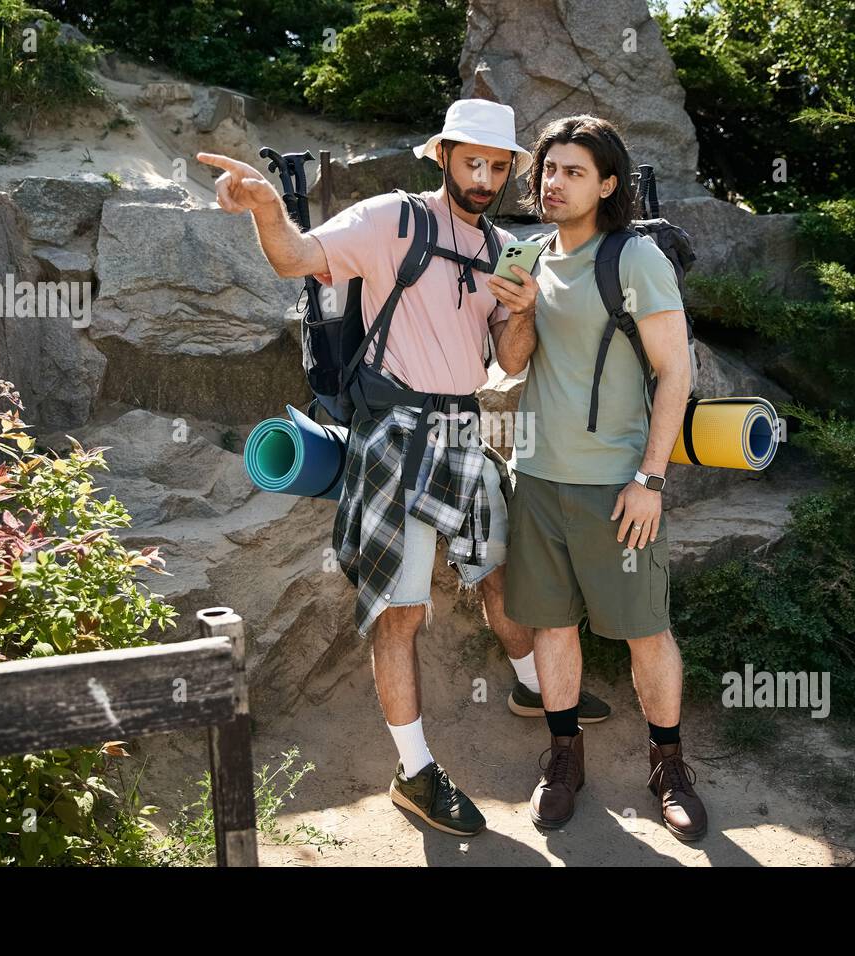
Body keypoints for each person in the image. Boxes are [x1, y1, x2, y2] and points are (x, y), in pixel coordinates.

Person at [196, 99, 609, 838]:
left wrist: (518, 312)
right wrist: (263, 207)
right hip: (391, 432)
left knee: (503, 575)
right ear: (443, 155)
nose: (482, 178)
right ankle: (415, 772)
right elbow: (296, 257)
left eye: (497, 165)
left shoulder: (502, 250)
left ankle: (528, 690)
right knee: (401, 612)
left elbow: (508, 363)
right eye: (470, 162)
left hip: (463, 427)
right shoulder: (390, 218)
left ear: (510, 169)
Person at [496, 115, 709, 842]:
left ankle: (669, 766)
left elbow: (675, 371)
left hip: (618, 487)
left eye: (574, 171)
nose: (554, 182)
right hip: (537, 479)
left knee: (646, 630)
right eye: (549, 169)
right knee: (551, 625)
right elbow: (513, 360)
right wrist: (518, 311)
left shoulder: (636, 258)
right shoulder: (525, 254)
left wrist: (650, 478)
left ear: (608, 184)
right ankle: (563, 759)